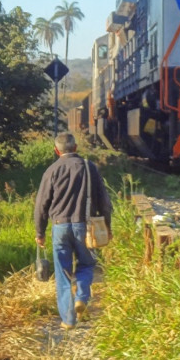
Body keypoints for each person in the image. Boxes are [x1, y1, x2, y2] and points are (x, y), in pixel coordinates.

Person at [34, 132, 113, 329]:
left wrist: (40, 232)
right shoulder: (89, 167)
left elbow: (41, 205)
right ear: (76, 148)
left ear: (56, 150)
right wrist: (107, 226)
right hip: (84, 226)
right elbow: (104, 201)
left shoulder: (51, 170)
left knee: (62, 272)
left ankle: (68, 320)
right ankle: (81, 297)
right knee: (87, 264)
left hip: (59, 227)